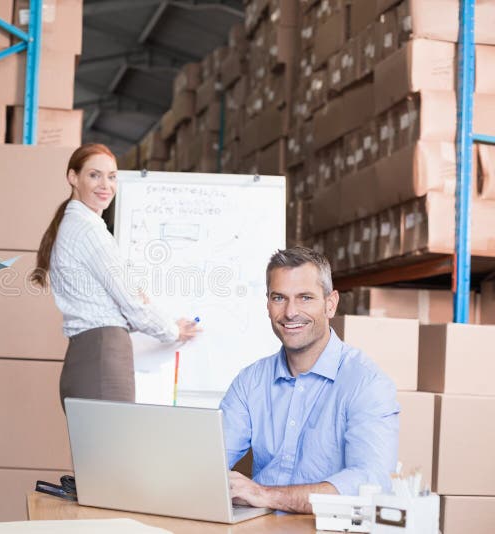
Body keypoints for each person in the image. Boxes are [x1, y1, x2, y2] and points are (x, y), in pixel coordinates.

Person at [220, 247, 399, 514]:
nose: (291, 312)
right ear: (267, 304)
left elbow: (370, 482)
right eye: (279, 298)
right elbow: (209, 463)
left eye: (305, 298)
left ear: (331, 304)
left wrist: (266, 495)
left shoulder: (366, 383)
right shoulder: (250, 382)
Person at [31, 143, 200, 407]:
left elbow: (119, 301)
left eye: (112, 177)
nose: (105, 185)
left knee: (101, 448)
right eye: (94, 175)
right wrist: (172, 331)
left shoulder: (75, 225)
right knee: (110, 448)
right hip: (102, 357)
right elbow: (132, 303)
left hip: (90, 356)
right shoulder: (88, 231)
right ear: (73, 178)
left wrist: (134, 304)